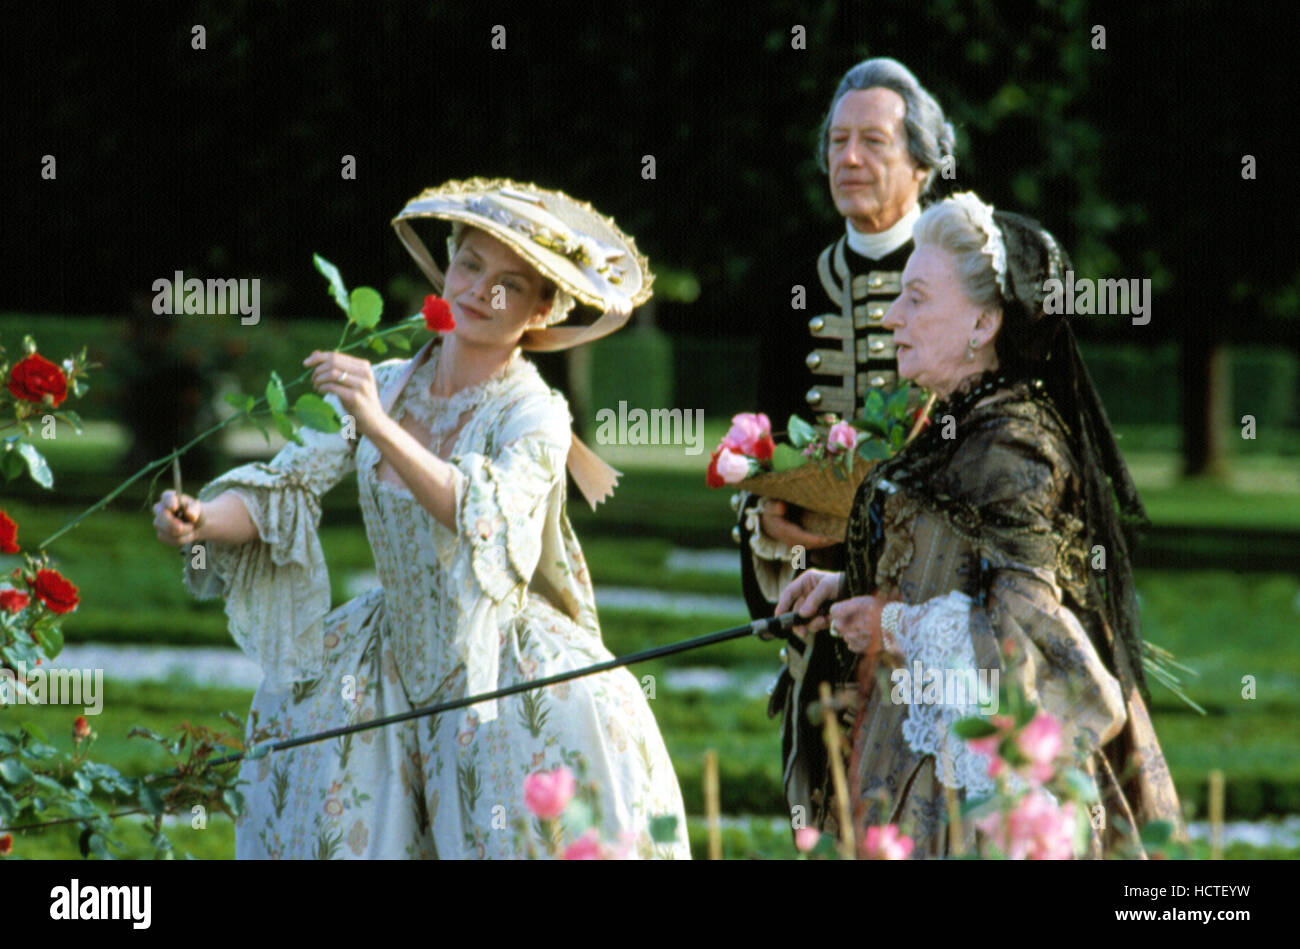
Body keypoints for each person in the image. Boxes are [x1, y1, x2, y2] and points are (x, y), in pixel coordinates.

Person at [153, 178, 691, 859]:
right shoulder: (389, 381)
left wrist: (377, 425)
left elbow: (477, 512)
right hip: (382, 660)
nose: (479, 292)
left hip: (499, 660)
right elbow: (279, 491)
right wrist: (199, 520)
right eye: (470, 265)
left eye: (511, 284)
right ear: (448, 264)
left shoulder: (536, 414)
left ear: (542, 308)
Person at [773, 192, 1185, 857]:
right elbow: (942, 560)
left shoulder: (1015, 445)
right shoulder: (955, 423)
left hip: (988, 778)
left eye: (917, 299)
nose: (892, 315)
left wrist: (892, 624)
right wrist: (846, 582)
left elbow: (1029, 638)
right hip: (912, 735)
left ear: (983, 323)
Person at [737, 57, 956, 623]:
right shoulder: (795, 282)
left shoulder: (964, 280)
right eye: (837, 141)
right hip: (814, 583)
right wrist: (765, 512)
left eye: (874, 141)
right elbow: (772, 431)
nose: (849, 158)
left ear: (922, 165)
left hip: (930, 578)